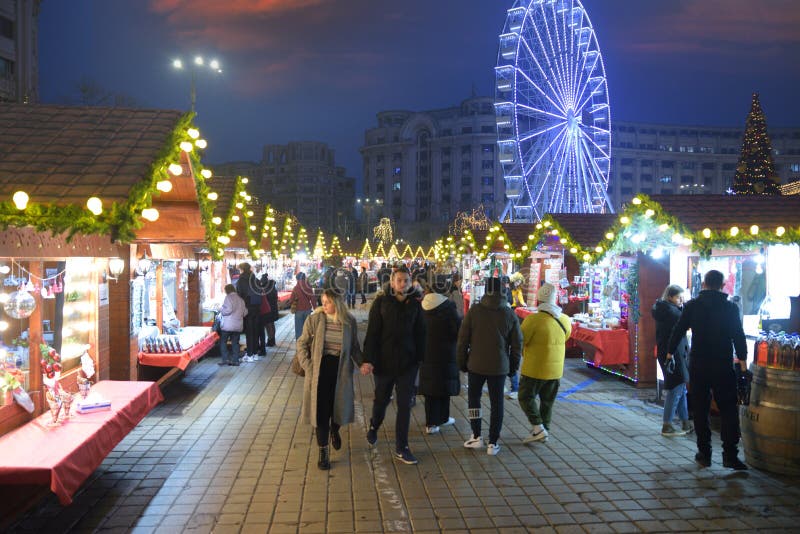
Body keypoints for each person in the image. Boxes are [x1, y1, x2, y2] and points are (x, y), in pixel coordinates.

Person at [667, 270, 748, 470]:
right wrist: (743, 362)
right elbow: (738, 335)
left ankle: (704, 453)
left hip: (699, 364)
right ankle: (730, 455)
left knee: (701, 409)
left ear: (703, 284)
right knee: (728, 409)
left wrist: (669, 353)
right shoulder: (730, 307)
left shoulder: (692, 306)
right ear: (722, 285)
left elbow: (678, 330)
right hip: (722, 364)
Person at [360, 267, 426, 465]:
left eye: (406, 280)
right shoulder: (381, 302)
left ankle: (402, 447)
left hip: (408, 364)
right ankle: (374, 426)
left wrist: (421, 358)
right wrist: (368, 359)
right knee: (381, 400)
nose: (403, 284)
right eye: (399, 280)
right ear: (392, 281)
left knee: (405, 405)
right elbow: (372, 333)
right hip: (384, 362)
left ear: (410, 282)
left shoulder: (415, 304)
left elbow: (421, 333)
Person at [296, 289, 363, 470]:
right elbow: (301, 343)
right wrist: (308, 366)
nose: (323, 305)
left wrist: (362, 363)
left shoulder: (349, 321)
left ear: (337, 303)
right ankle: (323, 452)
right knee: (321, 412)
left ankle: (335, 429)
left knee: (340, 407)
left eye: (327, 302)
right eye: (323, 301)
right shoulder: (315, 319)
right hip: (319, 372)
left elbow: (354, 347)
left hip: (341, 371)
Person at [457, 277, 522, 456]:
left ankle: (476, 435)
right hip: (499, 366)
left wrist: (462, 362)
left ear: (485, 290)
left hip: (475, 364)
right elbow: (517, 344)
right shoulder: (509, 314)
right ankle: (493, 442)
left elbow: (462, 340)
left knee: (474, 399)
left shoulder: (474, 311)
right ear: (503, 291)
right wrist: (512, 367)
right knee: (497, 403)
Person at [518, 283, 572, 443]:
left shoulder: (532, 320)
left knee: (525, 397)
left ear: (539, 300)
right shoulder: (565, 319)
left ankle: (538, 427)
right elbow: (566, 337)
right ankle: (544, 431)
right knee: (547, 402)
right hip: (556, 370)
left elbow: (522, 340)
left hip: (534, 369)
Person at [420, 275, 461, 434]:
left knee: (430, 388)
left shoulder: (421, 306)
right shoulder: (448, 307)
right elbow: (456, 330)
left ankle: (432, 422)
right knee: (445, 385)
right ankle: (442, 418)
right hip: (446, 352)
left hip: (426, 353)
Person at [652, 284, 691, 437]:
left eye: (682, 297)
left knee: (680, 387)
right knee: (675, 389)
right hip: (673, 354)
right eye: (678, 297)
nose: (681, 300)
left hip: (668, 352)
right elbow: (685, 324)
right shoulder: (673, 313)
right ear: (670, 297)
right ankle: (667, 425)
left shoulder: (663, 309)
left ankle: (685, 422)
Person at [236, 262, 261, 361]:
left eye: (239, 269)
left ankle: (250, 355)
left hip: (247, 308)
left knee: (249, 332)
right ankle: (255, 353)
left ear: (242, 269)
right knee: (255, 330)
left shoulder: (241, 280)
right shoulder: (255, 279)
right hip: (257, 307)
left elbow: (239, 295)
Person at [218, 284, 247, 366]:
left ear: (227, 290)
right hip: (238, 325)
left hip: (228, 325)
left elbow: (228, 310)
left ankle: (225, 359)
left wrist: (221, 310)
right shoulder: (241, 299)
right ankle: (235, 360)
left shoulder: (228, 298)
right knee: (235, 343)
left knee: (223, 341)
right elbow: (245, 312)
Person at [290, 272, 316, 340]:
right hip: (307, 310)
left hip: (298, 311)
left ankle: (299, 343)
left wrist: (291, 303)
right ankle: (307, 342)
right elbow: (313, 298)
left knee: (299, 330)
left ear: (297, 279)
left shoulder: (296, 288)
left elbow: (291, 300)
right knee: (307, 328)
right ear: (305, 278)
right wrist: (315, 308)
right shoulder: (309, 287)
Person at [260, 271, 279, 349]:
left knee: (269, 325)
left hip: (268, 310)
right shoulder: (273, 287)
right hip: (274, 308)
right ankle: (272, 340)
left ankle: (270, 341)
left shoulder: (266, 289)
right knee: (271, 325)